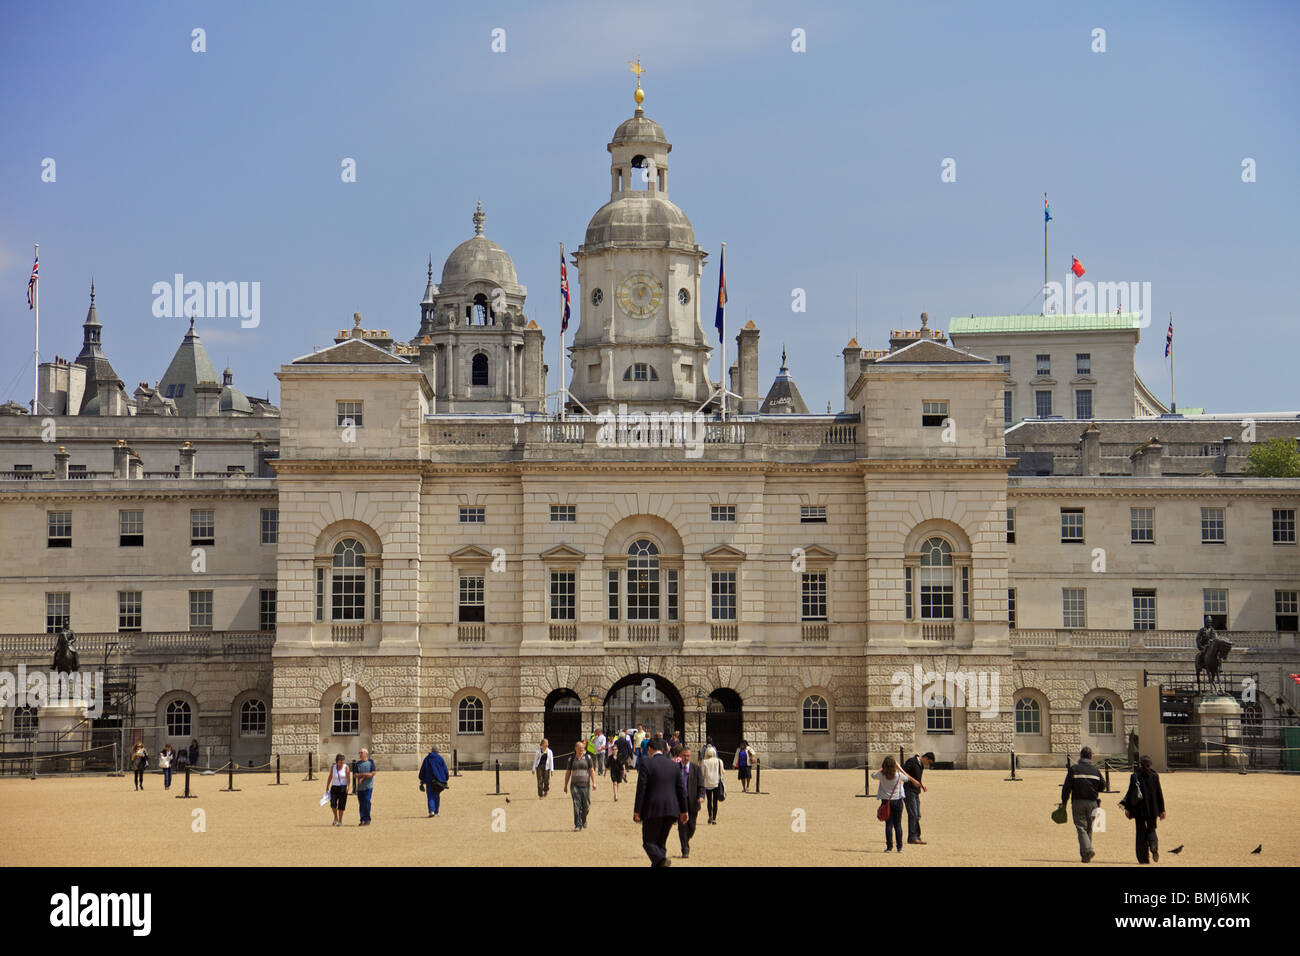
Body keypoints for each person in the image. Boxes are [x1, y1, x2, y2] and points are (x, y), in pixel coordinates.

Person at [632, 736, 688, 867]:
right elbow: (681, 789)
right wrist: (684, 810)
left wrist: (637, 811)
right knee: (661, 843)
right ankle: (660, 862)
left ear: (650, 749)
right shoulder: (674, 765)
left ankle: (662, 861)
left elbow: (641, 789)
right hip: (671, 810)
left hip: (652, 809)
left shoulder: (646, 763)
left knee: (648, 842)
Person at [1060, 746, 1107, 862]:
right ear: (1091, 757)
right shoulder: (1095, 770)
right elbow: (1103, 786)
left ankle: (1087, 850)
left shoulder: (1074, 769)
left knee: (1081, 828)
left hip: (1078, 802)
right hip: (1093, 803)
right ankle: (1085, 856)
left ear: (1080, 756)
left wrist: (1064, 802)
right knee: (1089, 829)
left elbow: (1066, 788)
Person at [1121, 755, 1166, 864]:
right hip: (1152, 809)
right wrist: (1162, 810)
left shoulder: (1135, 776)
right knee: (1151, 829)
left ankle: (1143, 859)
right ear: (1150, 764)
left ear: (1140, 764)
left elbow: (1131, 793)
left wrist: (1127, 808)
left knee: (1140, 833)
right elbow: (1159, 793)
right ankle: (1154, 845)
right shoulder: (1155, 776)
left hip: (1139, 809)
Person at [871, 756, 921, 853]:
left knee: (888, 825)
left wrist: (882, 768)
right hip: (897, 800)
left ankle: (889, 847)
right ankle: (900, 847)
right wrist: (899, 767)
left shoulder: (881, 775)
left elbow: (873, 775)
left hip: (886, 801)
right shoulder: (898, 775)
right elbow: (907, 778)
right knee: (898, 824)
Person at [675, 746, 705, 858]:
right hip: (680, 802)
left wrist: (701, 796)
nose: (686, 758)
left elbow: (701, 785)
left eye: (688, 756)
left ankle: (685, 840)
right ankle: (685, 849)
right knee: (682, 826)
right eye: (684, 756)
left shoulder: (696, 769)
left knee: (692, 826)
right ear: (680, 756)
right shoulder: (675, 768)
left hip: (693, 801)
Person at [902, 751, 934, 845]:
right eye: (929, 762)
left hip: (916, 791)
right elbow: (902, 772)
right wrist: (912, 781)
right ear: (925, 758)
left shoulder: (921, 765)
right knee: (913, 814)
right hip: (909, 791)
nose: (928, 764)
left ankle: (916, 836)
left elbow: (918, 778)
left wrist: (922, 785)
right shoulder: (912, 762)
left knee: (917, 815)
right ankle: (912, 837)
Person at [564, 739, 596, 831]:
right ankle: (577, 824)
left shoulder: (588, 758)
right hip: (574, 785)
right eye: (579, 748)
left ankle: (584, 819)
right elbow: (568, 772)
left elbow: (591, 770)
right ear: (575, 748)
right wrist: (565, 785)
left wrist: (594, 782)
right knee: (576, 804)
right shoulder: (571, 759)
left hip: (585, 785)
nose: (581, 749)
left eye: (583, 747)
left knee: (586, 805)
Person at [418, 745, 449, 817]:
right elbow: (445, 770)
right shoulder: (440, 759)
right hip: (438, 781)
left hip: (429, 781)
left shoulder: (427, 759)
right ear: (437, 751)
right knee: (437, 796)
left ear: (431, 751)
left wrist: (421, 779)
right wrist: (446, 779)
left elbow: (423, 770)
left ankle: (431, 811)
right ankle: (436, 812)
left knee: (430, 796)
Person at [700, 744, 724, 824]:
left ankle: (710, 815)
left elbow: (702, 774)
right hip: (716, 782)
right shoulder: (719, 761)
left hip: (707, 783)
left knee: (709, 800)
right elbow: (722, 772)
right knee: (715, 801)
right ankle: (714, 818)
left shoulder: (704, 762)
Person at [354, 748, 376, 826]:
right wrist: (365, 775)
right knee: (361, 804)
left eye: (361, 752)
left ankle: (367, 819)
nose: (360, 754)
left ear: (365, 754)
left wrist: (362, 777)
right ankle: (362, 819)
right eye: (359, 752)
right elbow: (355, 775)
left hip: (368, 787)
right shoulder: (358, 764)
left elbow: (373, 773)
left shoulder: (370, 762)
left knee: (366, 801)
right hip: (360, 788)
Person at [327, 753, 350, 826]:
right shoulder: (333, 767)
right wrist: (327, 785)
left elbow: (348, 777)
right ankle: (335, 817)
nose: (342, 763)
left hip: (343, 787)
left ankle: (340, 820)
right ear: (337, 761)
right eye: (340, 762)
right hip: (334, 787)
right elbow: (330, 776)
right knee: (333, 804)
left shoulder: (346, 767)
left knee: (341, 805)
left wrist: (348, 786)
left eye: (343, 761)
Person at [607, 734, 626, 800]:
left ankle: (616, 792)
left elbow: (623, 764)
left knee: (617, 783)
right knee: (614, 783)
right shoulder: (610, 757)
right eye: (613, 749)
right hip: (613, 771)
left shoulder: (620, 756)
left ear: (617, 750)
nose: (614, 750)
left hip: (619, 771)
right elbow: (607, 765)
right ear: (612, 750)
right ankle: (615, 795)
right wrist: (604, 772)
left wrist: (624, 771)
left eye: (615, 749)